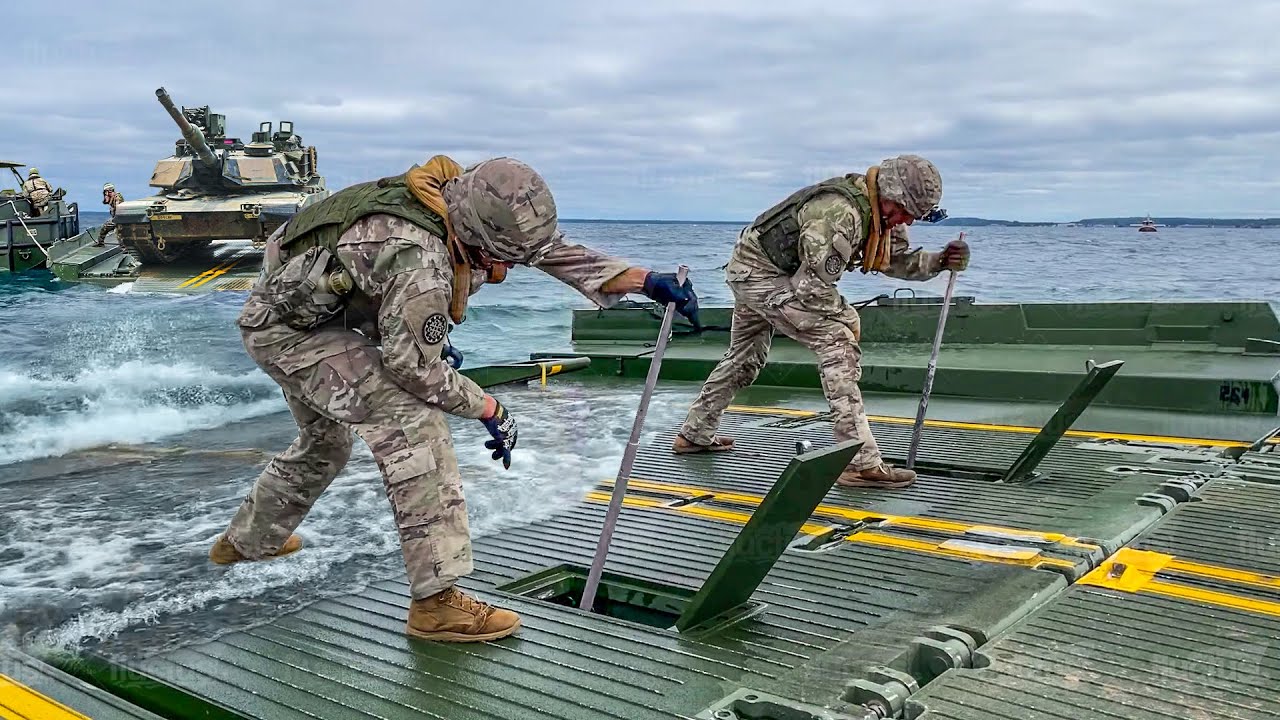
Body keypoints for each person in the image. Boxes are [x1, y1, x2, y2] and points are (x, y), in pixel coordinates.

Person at [206, 155, 698, 643]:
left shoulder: (459, 199)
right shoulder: (417, 257)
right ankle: (436, 604)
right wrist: (489, 407)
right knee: (413, 426)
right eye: (499, 263)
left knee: (326, 442)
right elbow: (414, 369)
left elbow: (544, 249)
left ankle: (246, 542)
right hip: (289, 334)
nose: (504, 271)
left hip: (320, 316)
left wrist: (643, 280)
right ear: (474, 238)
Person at [671, 154, 969, 489]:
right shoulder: (838, 213)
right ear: (889, 193)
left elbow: (893, 260)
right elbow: (811, 288)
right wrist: (847, 316)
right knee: (837, 342)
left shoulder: (884, 213)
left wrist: (940, 261)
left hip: (765, 270)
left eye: (914, 216)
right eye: (904, 211)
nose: (907, 221)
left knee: (745, 358)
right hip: (758, 273)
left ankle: (695, 433)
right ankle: (859, 462)